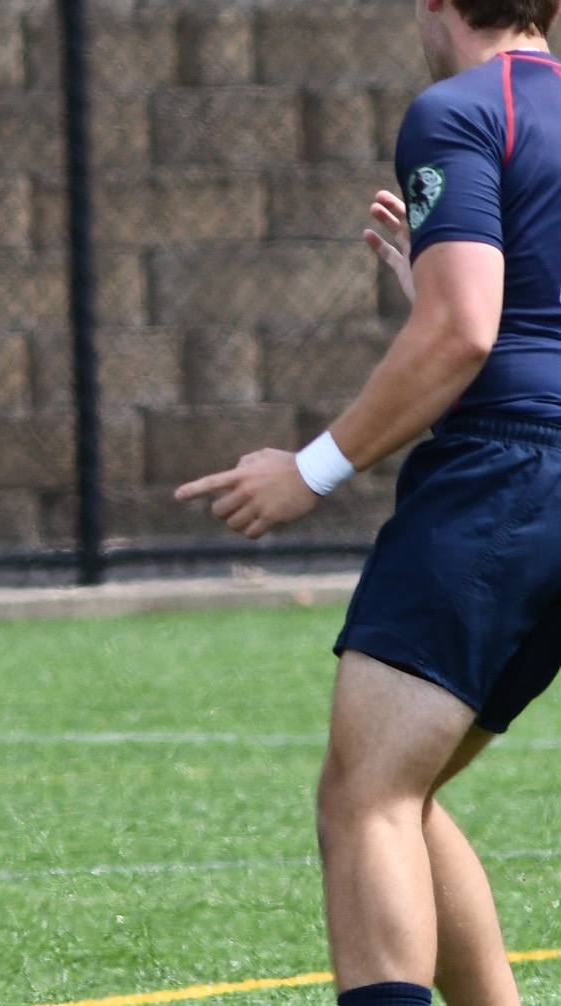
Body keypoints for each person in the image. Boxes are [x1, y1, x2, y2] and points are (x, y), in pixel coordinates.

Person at [175, 2, 561, 1003]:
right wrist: (428, 289)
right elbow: (517, 316)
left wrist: (307, 469)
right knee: (401, 788)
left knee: (366, 797)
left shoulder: (459, 110)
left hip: (507, 483)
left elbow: (465, 332)